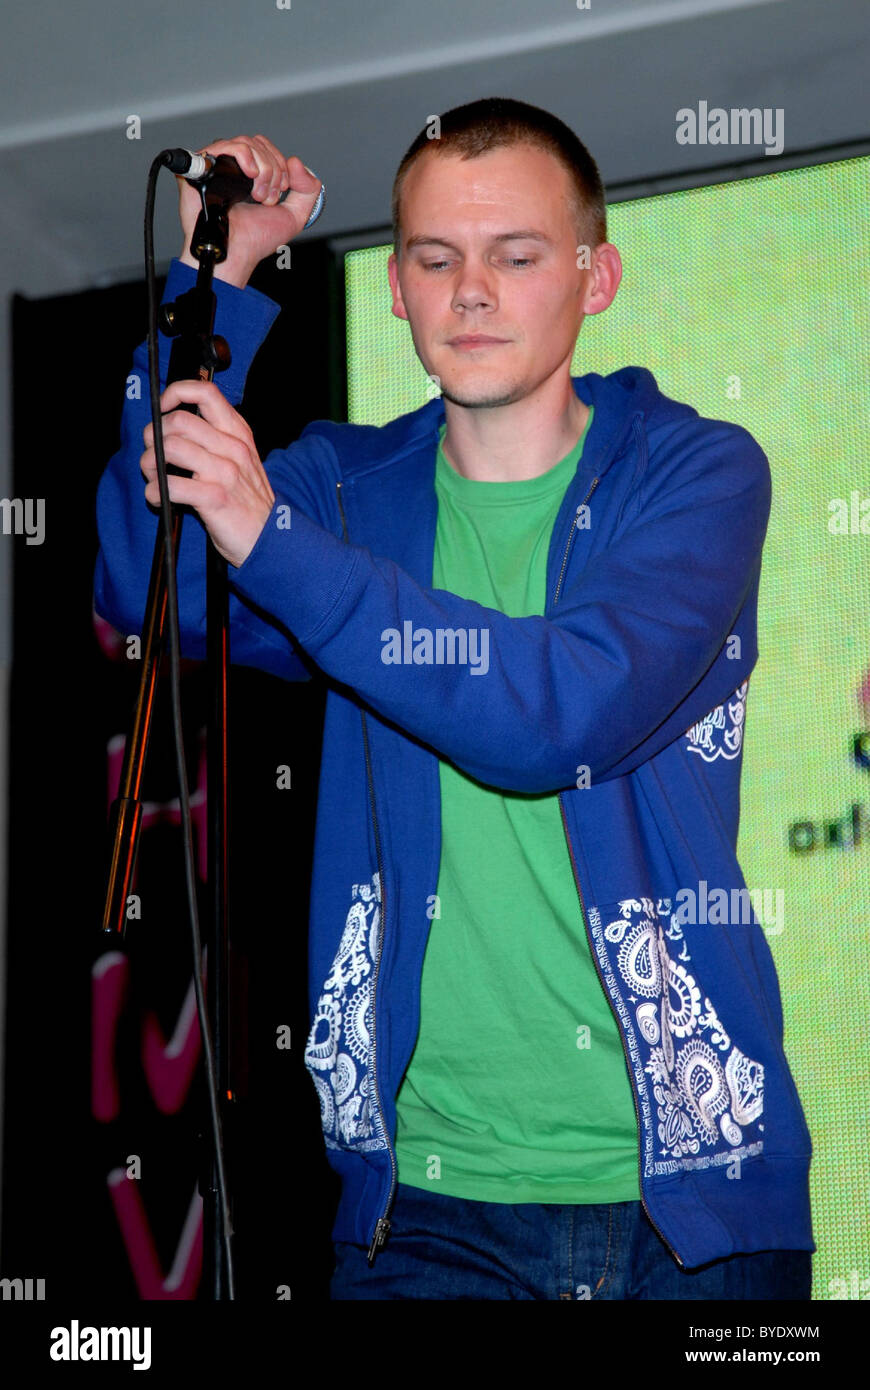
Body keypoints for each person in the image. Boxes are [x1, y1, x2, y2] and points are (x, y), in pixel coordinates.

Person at [94, 96, 814, 1300]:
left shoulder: (698, 471)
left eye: (516, 255)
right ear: (395, 290)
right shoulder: (339, 488)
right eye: (435, 257)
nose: (470, 289)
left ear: (598, 278)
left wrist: (272, 539)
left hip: (692, 1213)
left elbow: (558, 718)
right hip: (420, 1215)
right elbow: (141, 578)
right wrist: (214, 279)